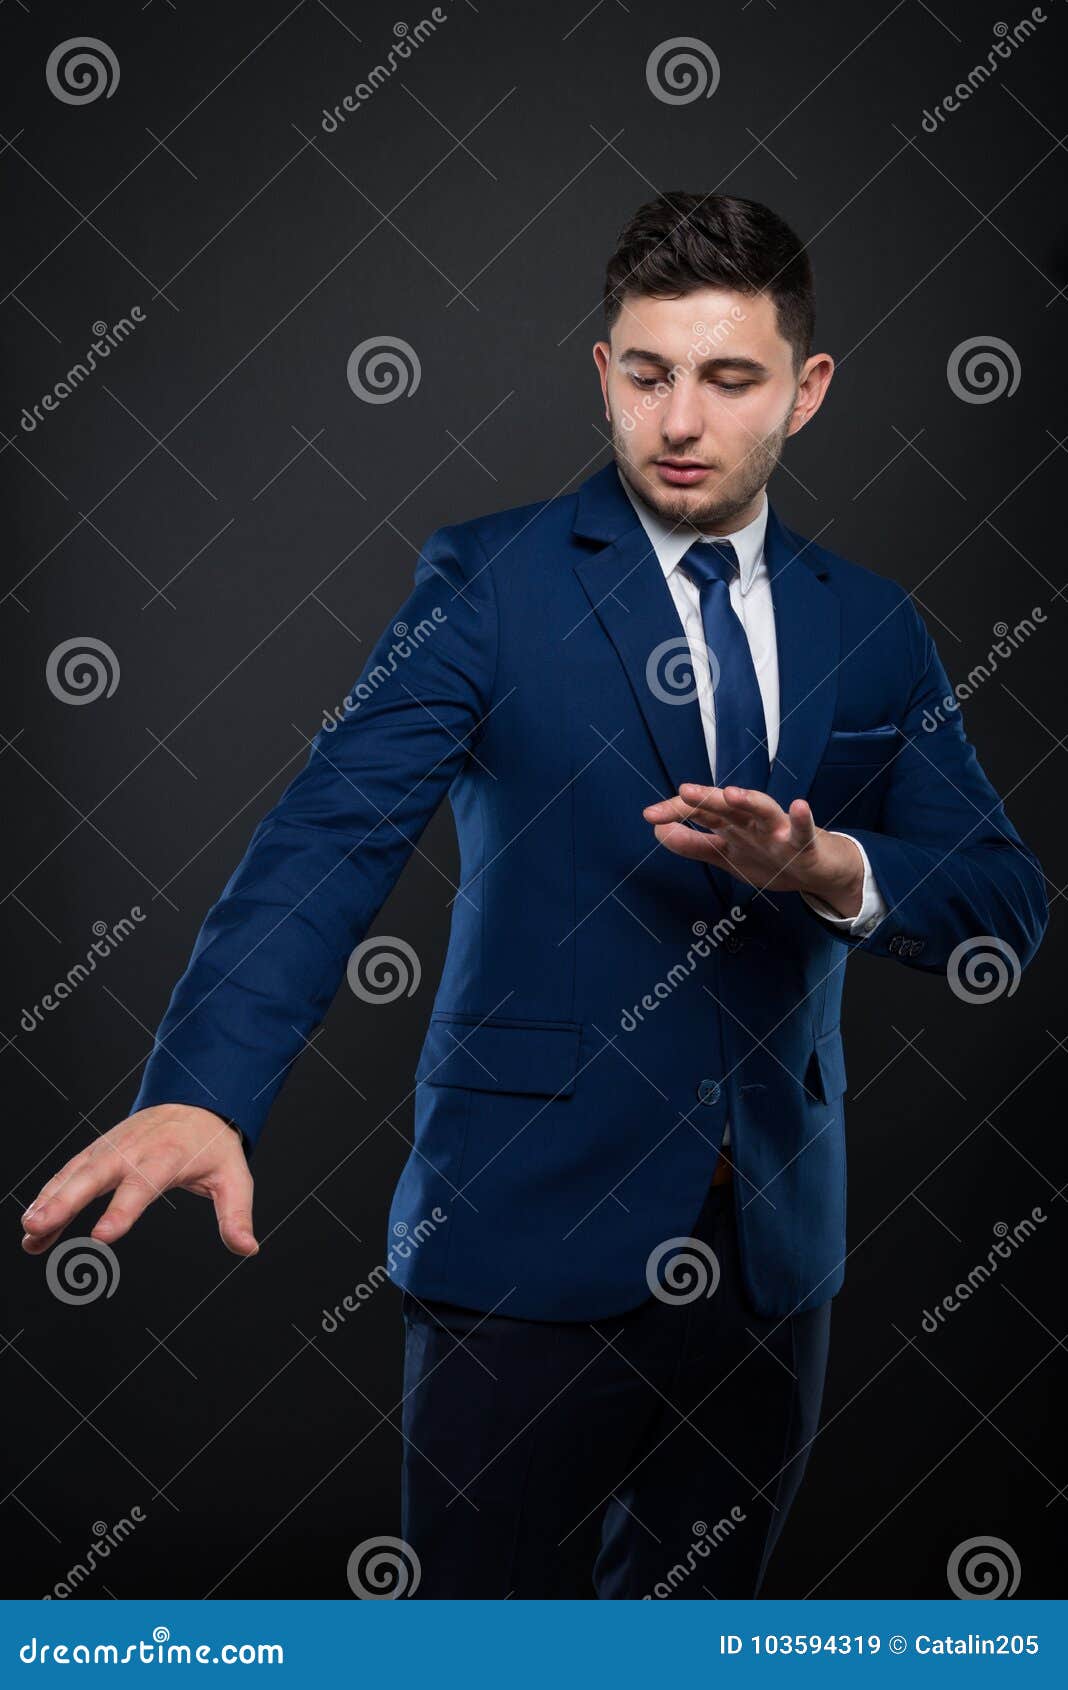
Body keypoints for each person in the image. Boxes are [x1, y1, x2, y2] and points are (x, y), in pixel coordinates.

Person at [20, 193, 1047, 1598]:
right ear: (603, 371)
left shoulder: (870, 627)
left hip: (769, 1261)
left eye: (728, 378)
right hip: (519, 1246)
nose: (679, 419)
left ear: (805, 392)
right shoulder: (489, 582)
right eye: (647, 372)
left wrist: (829, 869)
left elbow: (1001, 897)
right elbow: (330, 836)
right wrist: (203, 1085)